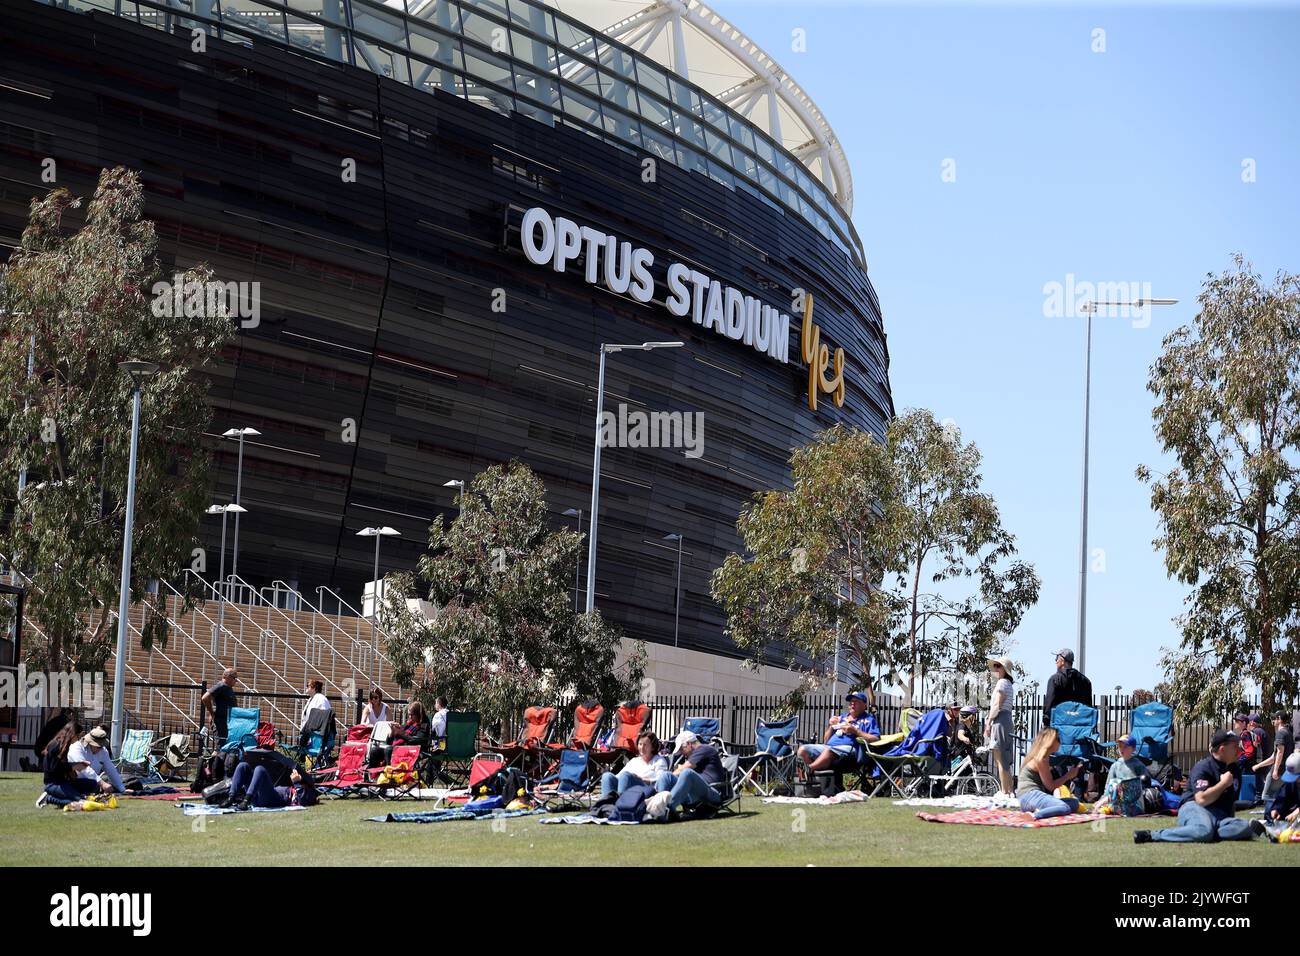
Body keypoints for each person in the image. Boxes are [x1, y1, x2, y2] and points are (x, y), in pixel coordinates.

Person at [1135, 730, 1256, 844]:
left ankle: (1209, 830)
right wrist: (1223, 784)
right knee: (1203, 832)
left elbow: (1230, 802)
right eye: (1234, 746)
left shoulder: (1235, 770)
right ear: (1222, 749)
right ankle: (1152, 835)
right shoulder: (1203, 767)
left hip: (1219, 815)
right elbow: (1201, 799)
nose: (1239, 749)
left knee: (1245, 828)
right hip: (1194, 807)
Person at [796, 690, 880, 779]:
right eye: (851, 702)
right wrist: (831, 726)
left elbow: (876, 738)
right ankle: (812, 781)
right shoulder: (841, 717)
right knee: (802, 750)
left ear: (864, 705)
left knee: (830, 751)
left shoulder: (869, 720)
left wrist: (856, 731)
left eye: (856, 702)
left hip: (851, 752)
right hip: (829, 747)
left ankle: (809, 769)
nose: (852, 704)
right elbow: (826, 741)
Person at [1016, 728, 1082, 820]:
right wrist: (1068, 776)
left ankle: (1041, 810)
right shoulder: (1041, 759)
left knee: (1074, 803)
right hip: (1029, 796)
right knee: (1064, 807)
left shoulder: (1041, 757)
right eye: (1058, 739)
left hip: (1028, 797)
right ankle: (1034, 815)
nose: (1060, 742)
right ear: (1050, 741)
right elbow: (1050, 786)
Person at [36, 722, 102, 808]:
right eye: (78, 736)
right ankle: (49, 798)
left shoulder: (65, 747)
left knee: (93, 784)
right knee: (80, 801)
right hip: (53, 784)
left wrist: (79, 764)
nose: (78, 739)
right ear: (73, 734)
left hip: (65, 782)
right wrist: (74, 766)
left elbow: (64, 765)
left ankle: (67, 796)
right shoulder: (55, 746)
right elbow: (53, 768)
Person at [663, 730, 726, 813]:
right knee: (666, 775)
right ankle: (658, 805)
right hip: (695, 793)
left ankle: (666, 809)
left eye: (682, 749)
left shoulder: (705, 749)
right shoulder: (695, 754)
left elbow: (683, 769)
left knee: (687, 773)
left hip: (712, 792)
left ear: (689, 744)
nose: (682, 753)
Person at [1093, 733, 1154, 816]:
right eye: (1120, 746)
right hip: (1117, 800)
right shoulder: (1115, 766)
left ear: (1133, 749)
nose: (1122, 749)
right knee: (1115, 783)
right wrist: (1104, 797)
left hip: (1134, 802)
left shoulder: (1138, 765)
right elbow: (1108, 786)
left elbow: (1145, 783)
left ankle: (1105, 802)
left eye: (1125, 746)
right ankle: (1106, 803)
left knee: (1128, 784)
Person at [598, 732, 670, 799]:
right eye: (640, 744)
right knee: (607, 776)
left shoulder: (659, 761)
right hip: (629, 786)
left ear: (653, 747)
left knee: (626, 776)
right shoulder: (634, 761)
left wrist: (641, 779)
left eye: (645, 745)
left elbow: (661, 780)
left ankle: (622, 806)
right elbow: (619, 776)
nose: (642, 748)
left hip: (647, 789)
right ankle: (606, 806)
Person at [224, 759, 318, 810]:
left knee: (260, 769)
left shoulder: (310, 793)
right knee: (243, 766)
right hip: (261, 796)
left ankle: (246, 800)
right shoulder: (298, 789)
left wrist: (297, 782)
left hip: (271, 799)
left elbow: (302, 802)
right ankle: (231, 798)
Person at [984, 657, 1016, 795]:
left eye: (998, 666)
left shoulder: (1002, 683)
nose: (996, 669)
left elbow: (997, 704)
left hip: (1000, 720)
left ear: (1005, 670)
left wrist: (988, 722)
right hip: (1007, 720)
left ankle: (1004, 792)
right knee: (1006, 759)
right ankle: (1009, 791)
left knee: (999, 758)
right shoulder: (1009, 684)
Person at [66, 726, 125, 796]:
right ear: (90, 743)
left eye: (102, 746)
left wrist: (122, 789)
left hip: (92, 783)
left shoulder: (103, 751)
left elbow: (111, 769)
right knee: (93, 784)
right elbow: (85, 769)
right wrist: (102, 783)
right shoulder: (76, 748)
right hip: (72, 781)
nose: (101, 748)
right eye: (98, 746)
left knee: (94, 784)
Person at [1254, 710, 1295, 804]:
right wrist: (1258, 766)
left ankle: (1271, 816)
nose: (1273, 720)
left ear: (1279, 719)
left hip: (1279, 770)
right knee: (1279, 795)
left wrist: (1275, 770)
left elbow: (1280, 752)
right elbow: (1274, 757)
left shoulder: (1280, 733)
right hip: (1285, 769)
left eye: (1274, 718)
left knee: (1267, 795)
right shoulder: (1288, 732)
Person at [1042, 648, 1092, 722]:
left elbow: (1049, 704)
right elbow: (1088, 707)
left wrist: (1046, 721)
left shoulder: (1054, 680)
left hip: (1059, 725)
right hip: (1079, 727)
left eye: (1057, 658)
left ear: (1062, 661)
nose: (1055, 661)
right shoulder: (1086, 681)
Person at [1262, 751, 1300, 837]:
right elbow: (1282, 796)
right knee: (1269, 807)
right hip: (1295, 806)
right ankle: (1270, 828)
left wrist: (1297, 811)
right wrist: (1276, 809)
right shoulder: (1292, 782)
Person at [201, 667, 238, 745]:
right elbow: (205, 698)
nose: (236, 680)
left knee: (224, 746)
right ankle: (216, 757)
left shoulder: (228, 688)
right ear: (228, 677)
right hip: (220, 722)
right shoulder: (221, 686)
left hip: (226, 722)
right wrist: (211, 713)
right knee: (220, 746)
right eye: (235, 678)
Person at [1232, 713, 1259, 802]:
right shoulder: (1246, 734)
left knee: (1243, 786)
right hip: (1248, 764)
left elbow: (1249, 752)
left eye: (1237, 721)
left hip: (1245, 765)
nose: (1235, 723)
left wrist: (1238, 761)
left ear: (1243, 723)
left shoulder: (1245, 735)